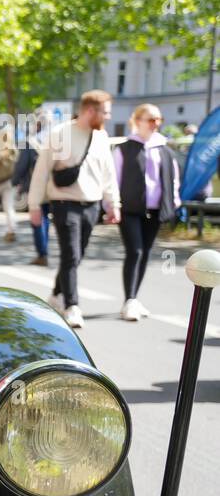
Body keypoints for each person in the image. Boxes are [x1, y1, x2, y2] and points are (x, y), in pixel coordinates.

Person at [28, 90, 121, 328]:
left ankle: (56, 294)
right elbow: (41, 172)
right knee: (70, 254)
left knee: (76, 256)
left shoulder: (101, 137)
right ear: (91, 110)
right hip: (64, 203)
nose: (108, 117)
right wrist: (34, 205)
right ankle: (72, 305)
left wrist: (113, 204)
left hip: (92, 205)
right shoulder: (60, 134)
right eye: (106, 112)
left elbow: (108, 175)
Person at [114, 103, 180, 321]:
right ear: (138, 121)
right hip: (130, 208)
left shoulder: (164, 149)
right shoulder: (124, 148)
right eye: (151, 119)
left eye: (159, 119)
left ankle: (134, 298)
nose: (156, 124)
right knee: (135, 251)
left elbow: (173, 179)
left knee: (145, 253)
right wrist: (112, 205)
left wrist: (174, 202)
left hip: (155, 208)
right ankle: (129, 300)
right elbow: (115, 178)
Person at [12, 120, 49, 265]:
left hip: (36, 186)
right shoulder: (55, 140)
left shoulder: (31, 143)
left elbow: (22, 165)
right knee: (45, 218)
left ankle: (42, 253)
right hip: (52, 187)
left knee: (37, 218)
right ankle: (44, 250)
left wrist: (14, 182)